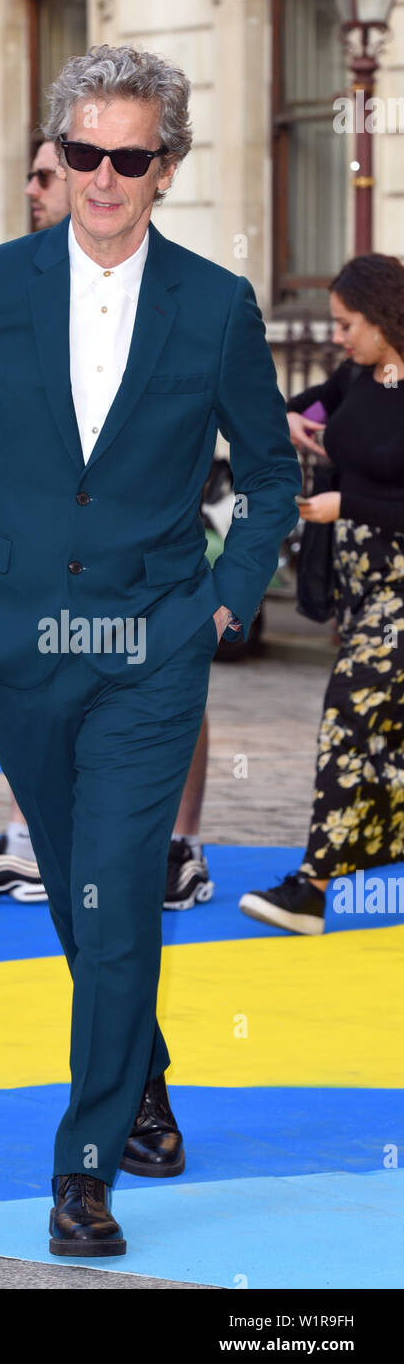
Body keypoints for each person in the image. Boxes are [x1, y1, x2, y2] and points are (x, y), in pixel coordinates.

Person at [0, 43, 301, 1257]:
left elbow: (269, 479)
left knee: (118, 888)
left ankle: (84, 1169)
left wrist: (224, 601)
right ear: (57, 160)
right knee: (77, 888)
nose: (103, 178)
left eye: (129, 157)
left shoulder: (216, 305)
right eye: (83, 154)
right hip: (14, 636)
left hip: (149, 644)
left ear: (164, 167)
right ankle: (150, 1080)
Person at [0, 133, 215, 911]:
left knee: (163, 673)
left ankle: (178, 846)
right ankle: (35, 838)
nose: (35, 188)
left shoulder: (170, 289)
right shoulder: (11, 283)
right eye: (37, 173)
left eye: (44, 175)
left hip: (144, 537)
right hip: (37, 538)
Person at [239, 253, 404, 936]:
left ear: (386, 317)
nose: (337, 337)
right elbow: (293, 408)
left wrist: (349, 504)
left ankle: (312, 886)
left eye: (347, 324)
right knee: (383, 740)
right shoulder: (358, 376)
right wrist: (294, 424)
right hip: (364, 589)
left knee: (349, 712)